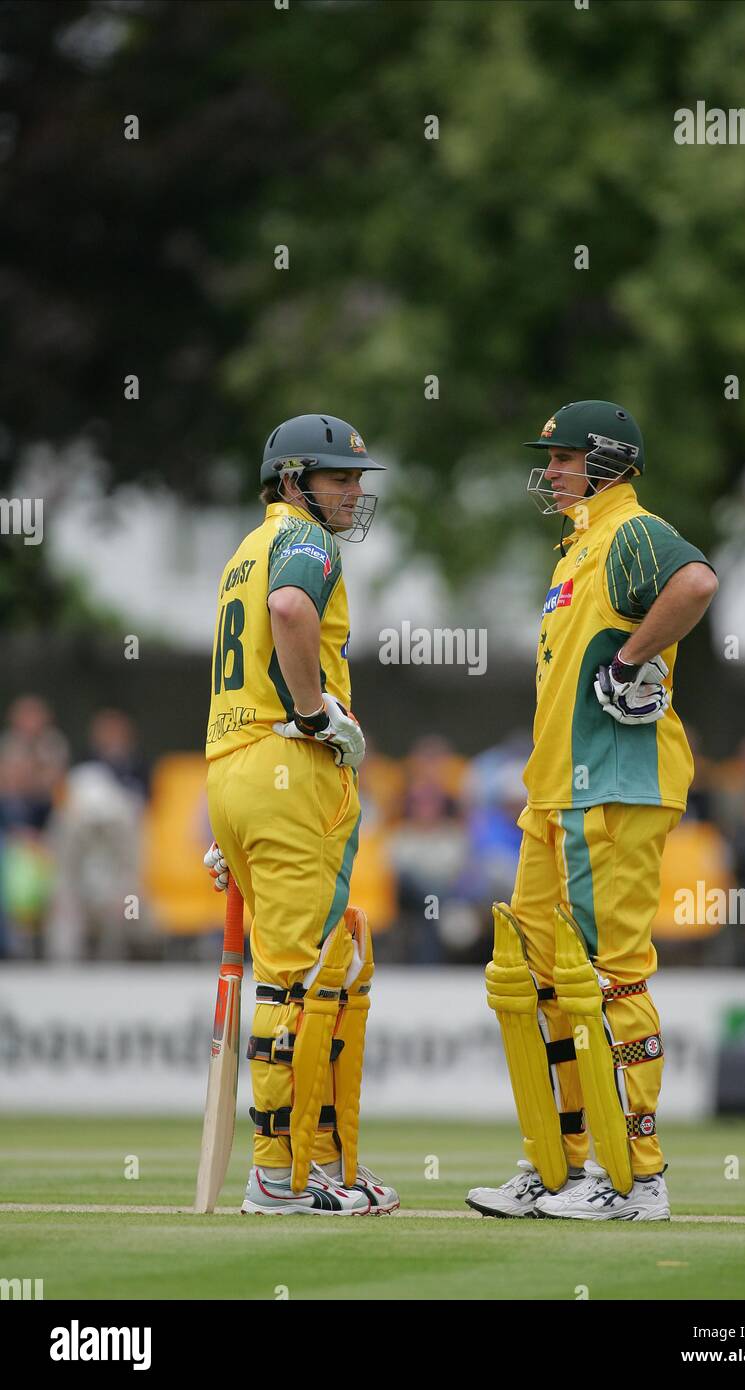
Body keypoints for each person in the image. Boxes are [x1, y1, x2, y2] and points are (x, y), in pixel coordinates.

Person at [466, 400, 717, 1221]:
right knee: (541, 984)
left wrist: (635, 659)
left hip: (613, 788)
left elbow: (697, 580)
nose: (550, 472)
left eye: (564, 458)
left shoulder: (632, 533)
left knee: (611, 981)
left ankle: (635, 1178)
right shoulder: (578, 546)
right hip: (558, 796)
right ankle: (566, 1164)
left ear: (607, 462)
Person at [204, 414, 399, 1215]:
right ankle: (280, 1177)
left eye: (355, 478)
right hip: (287, 767)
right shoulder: (304, 544)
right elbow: (291, 611)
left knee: (319, 968)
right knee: (296, 982)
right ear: (293, 483)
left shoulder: (242, 550)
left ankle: (315, 1165)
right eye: (337, 477)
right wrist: (317, 714)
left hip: (233, 769)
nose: (353, 492)